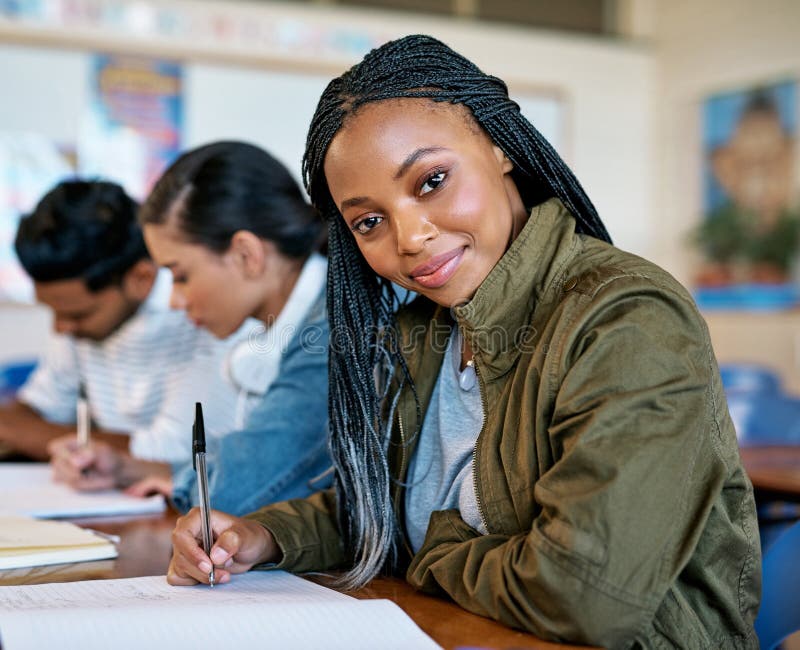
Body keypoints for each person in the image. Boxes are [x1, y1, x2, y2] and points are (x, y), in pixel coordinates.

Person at [167, 36, 761, 648]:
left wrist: (436, 552)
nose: (409, 238)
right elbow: (386, 508)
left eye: (431, 181)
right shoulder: (424, 330)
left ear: (500, 147)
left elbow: (586, 592)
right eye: (369, 221)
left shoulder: (628, 316)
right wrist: (264, 536)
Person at [48, 142, 332, 516]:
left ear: (246, 255)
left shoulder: (327, 333)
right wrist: (129, 468)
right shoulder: (304, 315)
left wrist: (186, 481)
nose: (174, 301)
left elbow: (243, 488)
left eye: (180, 276)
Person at [1, 179, 240, 462]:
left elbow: (178, 452)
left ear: (141, 277)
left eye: (78, 315)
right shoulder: (77, 327)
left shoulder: (201, 314)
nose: (60, 328)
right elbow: (38, 409)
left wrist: (24, 432)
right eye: (54, 311)